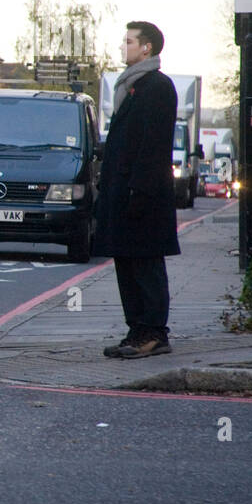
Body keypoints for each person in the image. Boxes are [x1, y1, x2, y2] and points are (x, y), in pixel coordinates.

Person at [93, 21, 180, 358]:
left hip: (143, 192)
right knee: (126, 263)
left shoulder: (157, 86)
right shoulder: (130, 85)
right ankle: (136, 331)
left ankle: (155, 333)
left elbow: (153, 146)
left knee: (146, 264)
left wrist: (138, 190)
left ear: (147, 48)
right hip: (121, 189)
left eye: (128, 41)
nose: (123, 46)